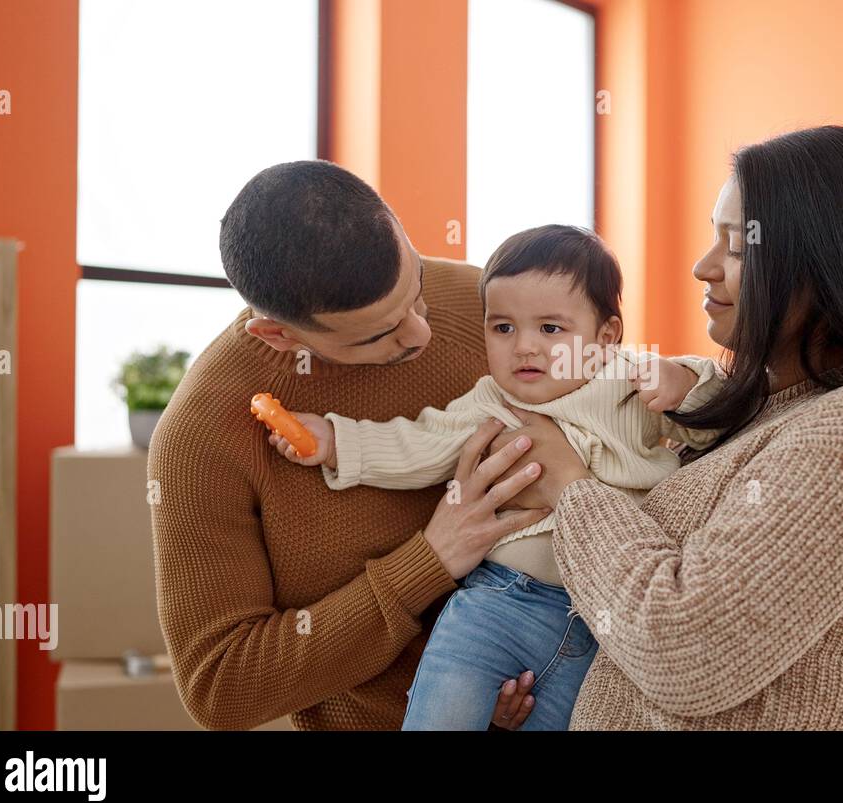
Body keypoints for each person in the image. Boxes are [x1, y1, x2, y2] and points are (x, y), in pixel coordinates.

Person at [505, 125, 843, 729]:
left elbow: (684, 649)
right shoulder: (765, 411)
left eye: (736, 246)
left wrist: (568, 487)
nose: (703, 268)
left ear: (824, 266)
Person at [269, 224, 725, 730]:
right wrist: (336, 442)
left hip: (606, 621)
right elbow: (419, 443)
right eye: (502, 328)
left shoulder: (632, 377)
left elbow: (721, 422)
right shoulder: (490, 402)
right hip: (495, 606)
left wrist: (686, 383)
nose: (524, 347)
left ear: (605, 337)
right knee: (441, 714)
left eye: (550, 329)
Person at [149, 160, 549, 730]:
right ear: (279, 335)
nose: (420, 334)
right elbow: (221, 686)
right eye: (379, 334)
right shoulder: (201, 437)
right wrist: (429, 561)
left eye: (416, 291)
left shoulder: (494, 302)